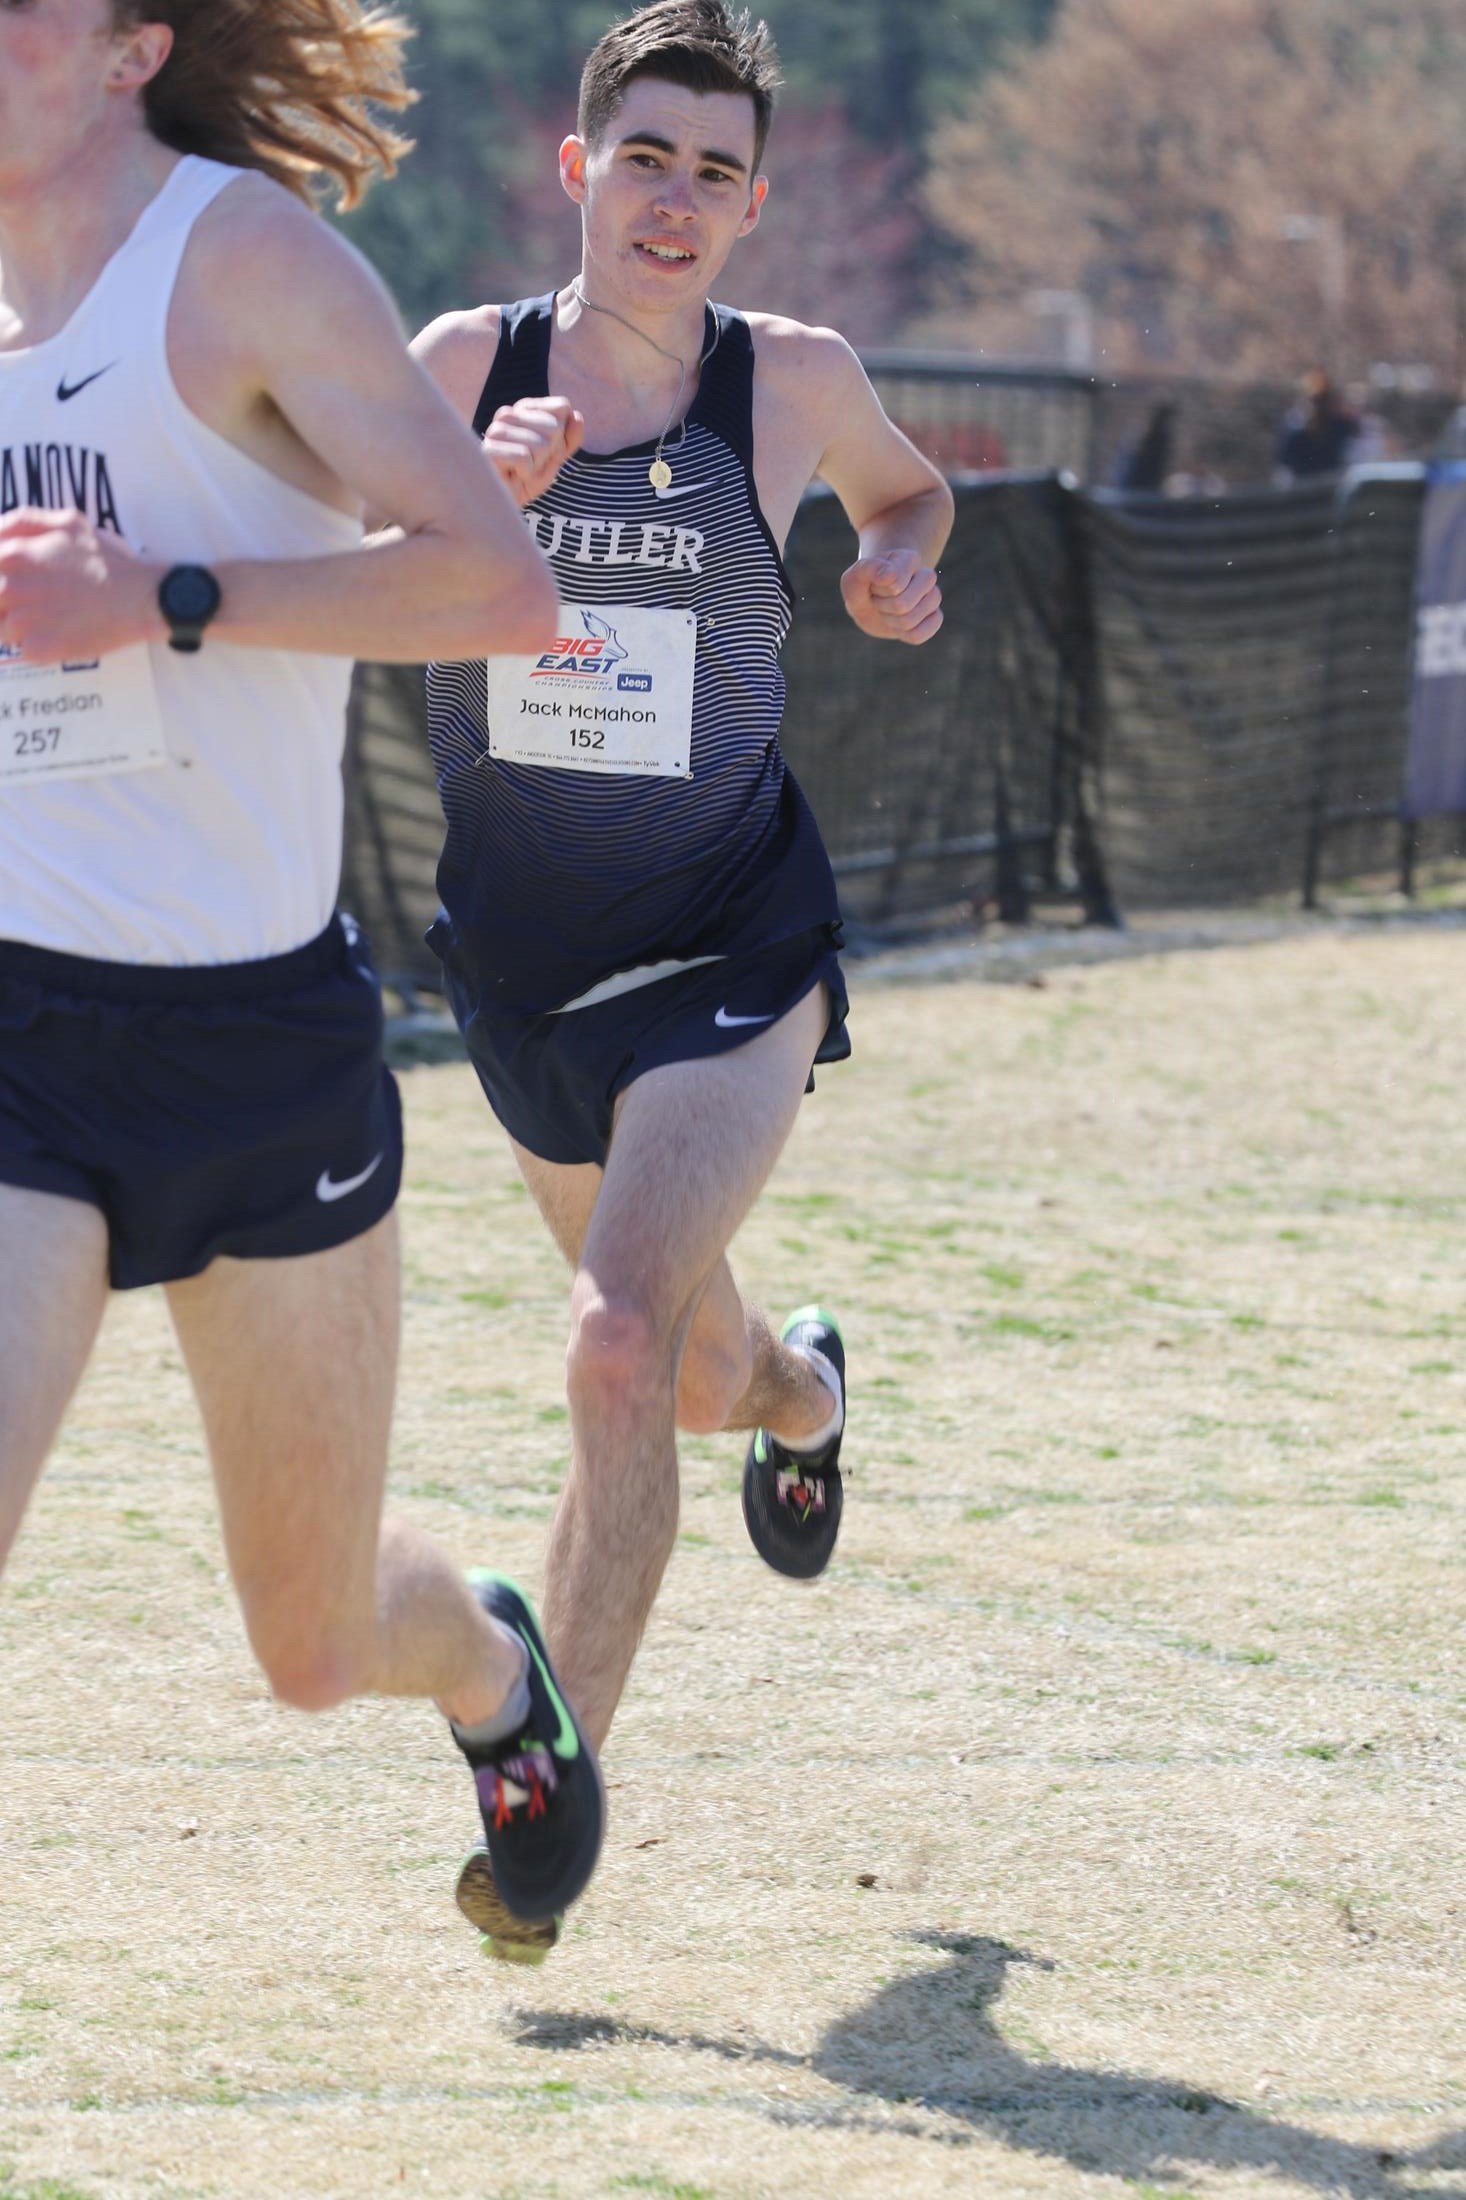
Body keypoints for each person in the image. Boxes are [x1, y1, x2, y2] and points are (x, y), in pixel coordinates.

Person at [0, 0, 604, 1964]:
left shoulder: (237, 260)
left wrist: (166, 595)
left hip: (256, 1048)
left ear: (124, 46)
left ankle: (493, 1671)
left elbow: (495, 580)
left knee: (312, 1630)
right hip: (19, 1029)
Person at [412, 0, 953, 1951]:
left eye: (715, 170)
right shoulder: (461, 366)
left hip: (731, 936)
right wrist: (474, 489)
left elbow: (908, 493)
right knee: (701, 1363)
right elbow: (332, 549)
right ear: (576, 169)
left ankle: (542, 1808)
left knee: (614, 1343)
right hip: (524, 976)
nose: (675, 198)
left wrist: (903, 564)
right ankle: (807, 1396)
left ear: (749, 205)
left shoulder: (789, 377)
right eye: (644, 155)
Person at [1274, 369, 1359, 482]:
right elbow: (1285, 467)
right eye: (1314, 401)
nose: (1317, 406)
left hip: (1333, 487)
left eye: (1321, 400)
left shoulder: (1341, 426)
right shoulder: (1294, 429)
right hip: (1303, 490)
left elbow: (1352, 457)